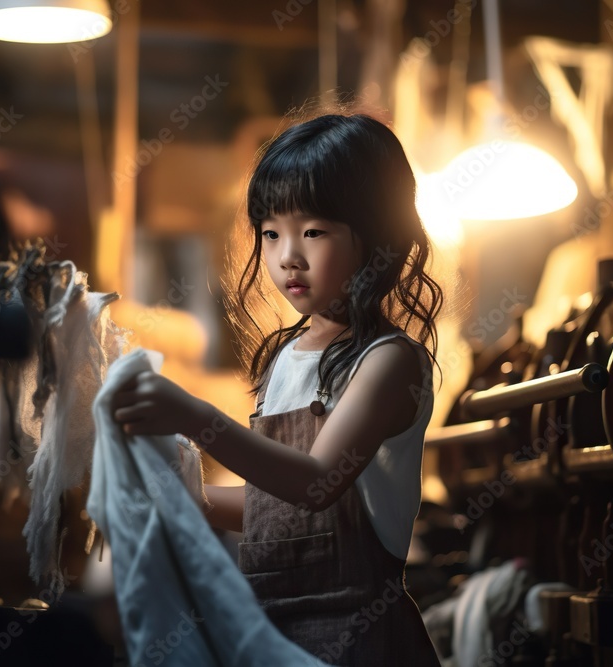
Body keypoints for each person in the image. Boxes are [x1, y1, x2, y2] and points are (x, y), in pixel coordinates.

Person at [110, 111, 443, 666]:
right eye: (270, 233)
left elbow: (316, 484)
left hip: (358, 636)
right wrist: (180, 496)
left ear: (378, 233)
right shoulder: (285, 359)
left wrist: (193, 415)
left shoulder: (388, 363)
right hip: (271, 632)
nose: (287, 254)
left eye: (312, 231)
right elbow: (277, 511)